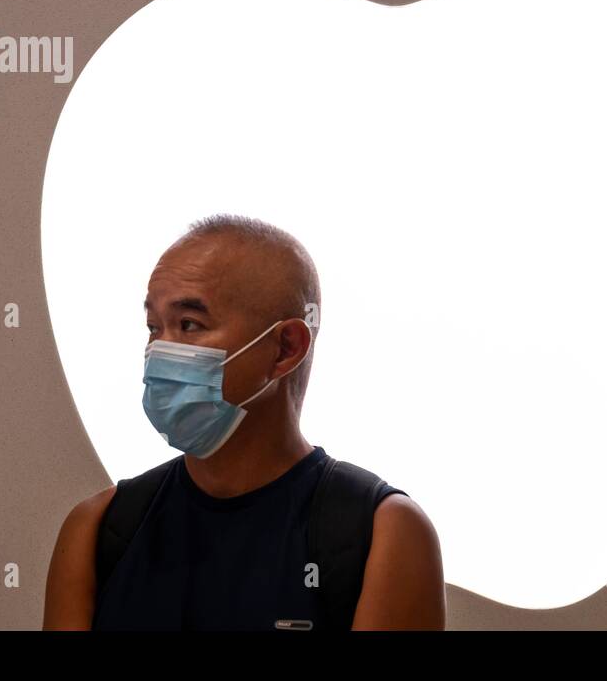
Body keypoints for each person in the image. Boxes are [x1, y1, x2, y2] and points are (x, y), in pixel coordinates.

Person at [43, 214, 445, 629]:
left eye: (189, 325)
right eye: (153, 327)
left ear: (285, 348)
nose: (159, 351)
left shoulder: (381, 532)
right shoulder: (98, 528)